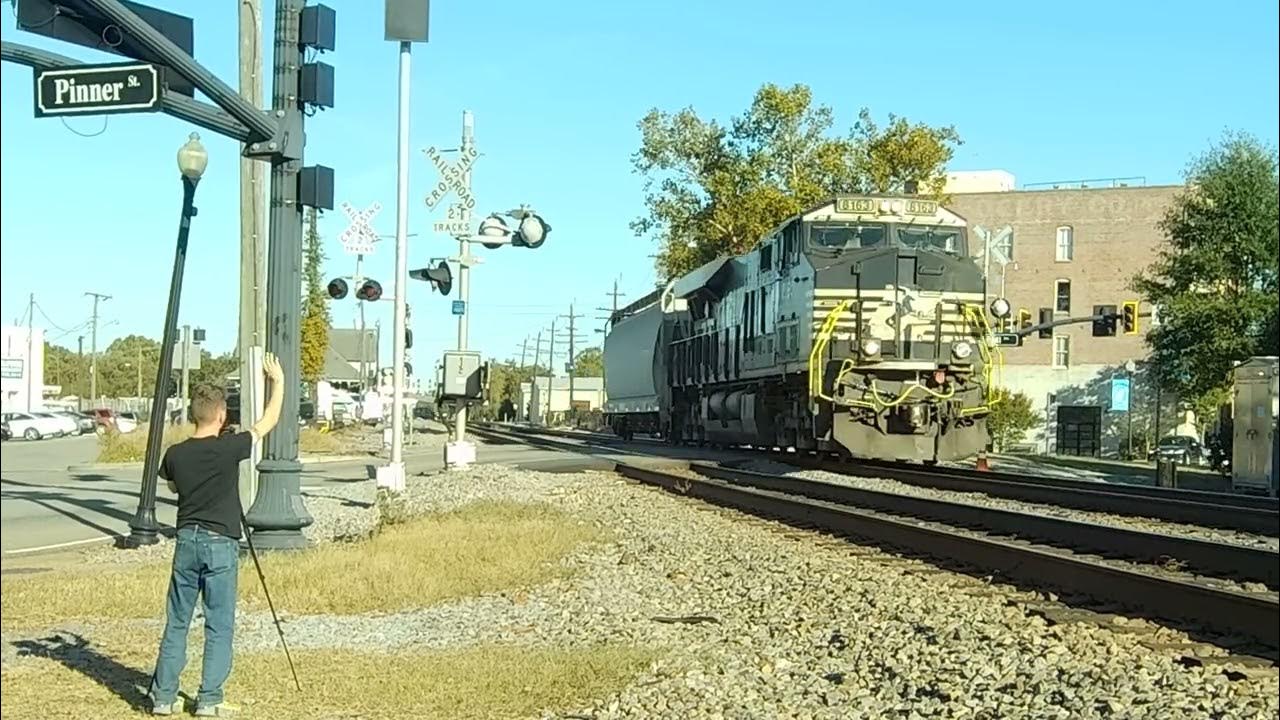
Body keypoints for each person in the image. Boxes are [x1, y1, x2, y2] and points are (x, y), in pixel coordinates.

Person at [149, 353, 286, 717]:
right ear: (222, 415)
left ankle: (163, 696)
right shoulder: (230, 447)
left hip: (187, 541)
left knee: (178, 619)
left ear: (195, 414)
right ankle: (209, 698)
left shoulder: (175, 453)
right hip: (220, 542)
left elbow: (175, 488)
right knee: (218, 623)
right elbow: (268, 421)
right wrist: (279, 381)